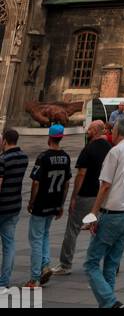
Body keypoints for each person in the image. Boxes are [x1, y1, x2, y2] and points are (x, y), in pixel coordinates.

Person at [83, 118, 124, 309]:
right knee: (111, 262)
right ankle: (107, 304)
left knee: (91, 263)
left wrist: (93, 213)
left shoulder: (115, 152)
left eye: (113, 129)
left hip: (113, 213)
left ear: (117, 132)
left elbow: (105, 185)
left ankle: (110, 302)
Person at [53, 120, 112, 275]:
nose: (87, 131)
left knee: (72, 229)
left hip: (86, 194)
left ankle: (65, 265)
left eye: (89, 129)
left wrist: (74, 196)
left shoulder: (88, 148)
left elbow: (81, 174)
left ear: (95, 131)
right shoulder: (110, 149)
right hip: (103, 195)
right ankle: (109, 263)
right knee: (101, 230)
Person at [26, 123, 71, 288]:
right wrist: (61, 204)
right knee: (44, 234)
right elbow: (66, 184)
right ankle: (45, 265)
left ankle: (35, 277)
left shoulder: (43, 157)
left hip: (42, 202)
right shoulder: (66, 157)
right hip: (54, 202)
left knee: (36, 238)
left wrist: (31, 201)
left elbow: (35, 183)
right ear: (61, 138)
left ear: (49, 138)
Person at [0, 127, 28, 289]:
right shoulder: (23, 157)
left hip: (2, 205)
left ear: (4, 140)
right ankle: (4, 280)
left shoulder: (3, 159)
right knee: (9, 244)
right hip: (14, 205)